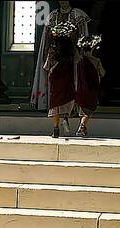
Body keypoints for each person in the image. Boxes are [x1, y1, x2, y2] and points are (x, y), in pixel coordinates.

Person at [33, 1, 92, 137]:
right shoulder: (53, 16)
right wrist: (47, 57)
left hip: (73, 58)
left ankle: (71, 121)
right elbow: (47, 39)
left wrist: (81, 54)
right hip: (57, 59)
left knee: (70, 89)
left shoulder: (77, 14)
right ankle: (58, 125)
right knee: (56, 93)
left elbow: (83, 38)